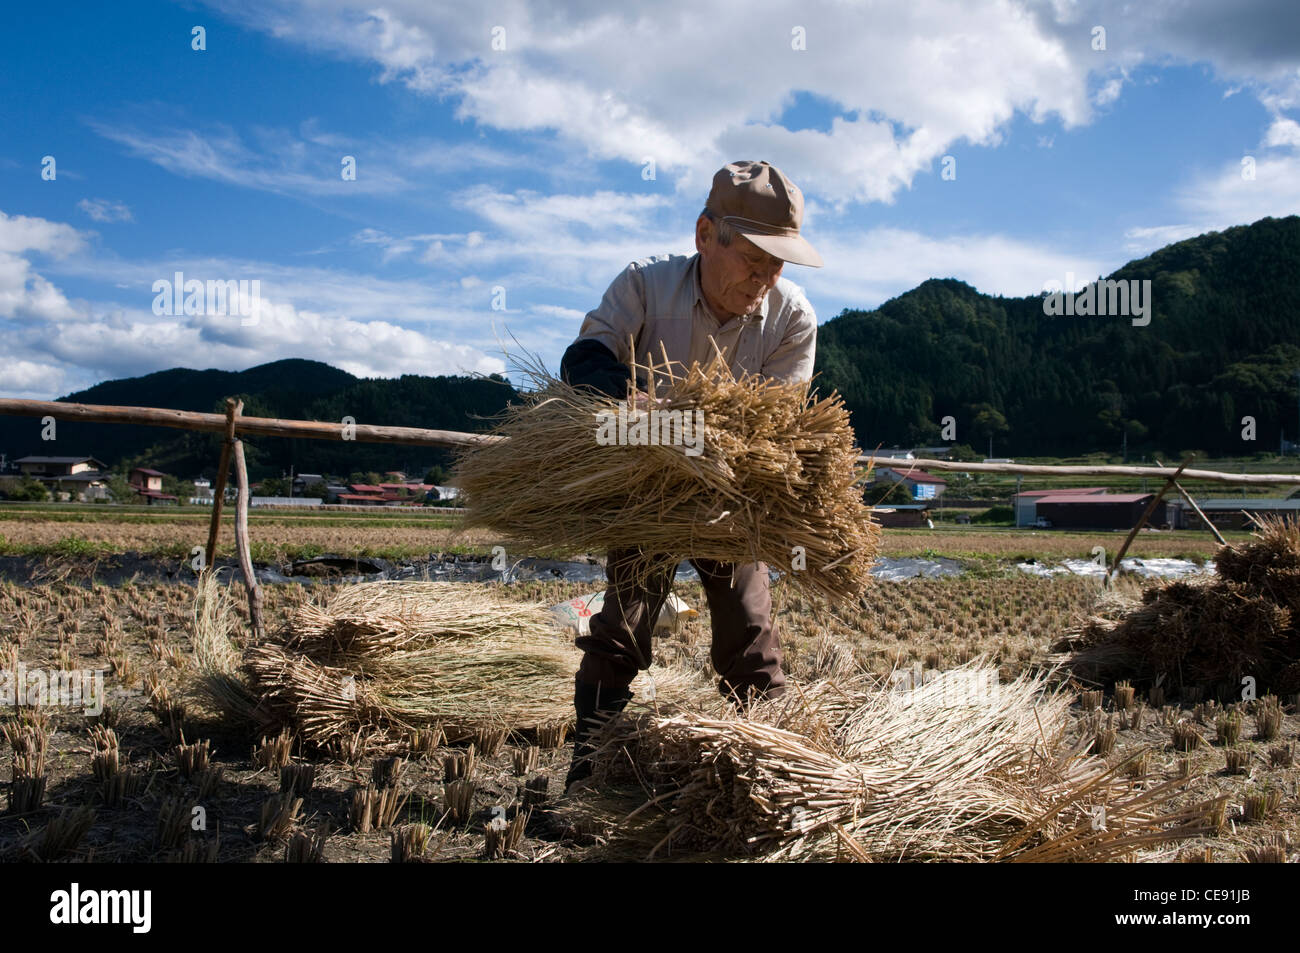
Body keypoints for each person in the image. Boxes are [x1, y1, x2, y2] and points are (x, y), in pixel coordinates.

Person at [558, 160, 823, 791]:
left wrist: (700, 439)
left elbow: (773, 429)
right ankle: (588, 779)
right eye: (753, 258)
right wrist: (637, 408)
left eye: (777, 263)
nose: (764, 277)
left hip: (731, 498)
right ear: (706, 234)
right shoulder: (645, 286)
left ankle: (766, 785)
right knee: (620, 630)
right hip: (649, 494)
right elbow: (584, 360)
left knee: (749, 634)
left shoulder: (793, 319)